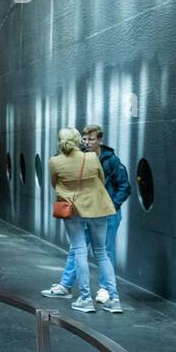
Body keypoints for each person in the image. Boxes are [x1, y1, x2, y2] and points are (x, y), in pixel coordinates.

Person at [43, 125, 130, 307]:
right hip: (95, 209)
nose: (87, 142)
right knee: (96, 252)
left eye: (91, 139)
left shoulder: (56, 161)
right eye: (85, 139)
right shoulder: (90, 158)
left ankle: (92, 294)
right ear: (78, 140)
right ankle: (110, 298)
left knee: (87, 250)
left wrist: (110, 205)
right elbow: (99, 180)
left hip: (88, 210)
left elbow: (55, 183)